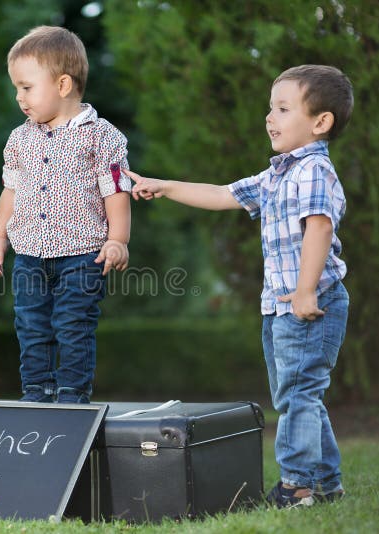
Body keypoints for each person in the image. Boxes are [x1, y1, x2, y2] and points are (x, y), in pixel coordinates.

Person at [126, 65, 353, 507]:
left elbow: (319, 229)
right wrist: (166, 186)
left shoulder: (312, 171)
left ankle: (298, 484)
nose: (270, 117)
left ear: (320, 121)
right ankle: (326, 484)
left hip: (311, 301)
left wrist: (306, 291)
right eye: (270, 108)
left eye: (283, 109)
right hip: (282, 305)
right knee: (300, 393)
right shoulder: (278, 175)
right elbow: (224, 194)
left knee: (298, 395)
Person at [0, 26, 132, 404]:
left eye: (26, 87)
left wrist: (117, 240)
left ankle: (71, 394)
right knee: (31, 326)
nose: (19, 97)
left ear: (63, 84)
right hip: (30, 254)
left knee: (72, 325)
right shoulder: (20, 138)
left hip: (83, 255)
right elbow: (11, 190)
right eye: (16, 88)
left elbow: (115, 191)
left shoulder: (101, 136)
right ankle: (37, 392)